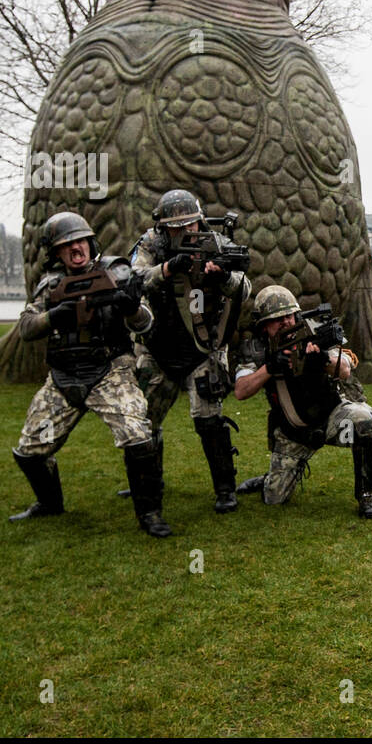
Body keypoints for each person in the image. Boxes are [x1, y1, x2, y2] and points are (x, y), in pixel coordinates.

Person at [10, 211, 170, 538]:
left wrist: (129, 307)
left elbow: (146, 323)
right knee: (29, 451)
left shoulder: (118, 272)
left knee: (138, 435)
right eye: (66, 245)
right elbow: (26, 328)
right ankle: (50, 503)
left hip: (110, 370)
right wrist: (55, 316)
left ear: (90, 242)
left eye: (79, 241)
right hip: (63, 376)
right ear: (56, 253)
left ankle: (150, 513)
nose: (75, 249)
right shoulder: (49, 285)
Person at [128, 190, 251, 515]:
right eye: (177, 227)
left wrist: (222, 277)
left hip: (202, 347)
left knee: (209, 420)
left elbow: (244, 287)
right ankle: (146, 481)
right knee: (144, 422)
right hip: (158, 346)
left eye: (191, 225)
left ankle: (225, 488)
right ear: (163, 228)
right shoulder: (151, 245)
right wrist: (166, 270)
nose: (186, 233)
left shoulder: (218, 242)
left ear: (199, 220)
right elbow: (133, 280)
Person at [234, 285, 372, 518]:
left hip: (332, 421)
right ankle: (270, 479)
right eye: (277, 319)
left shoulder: (314, 333)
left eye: (289, 316)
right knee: (274, 499)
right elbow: (241, 391)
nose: (285, 323)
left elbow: (344, 369)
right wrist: (270, 368)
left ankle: (367, 493)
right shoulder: (256, 349)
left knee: (364, 423)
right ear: (263, 324)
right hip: (293, 433)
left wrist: (322, 359)